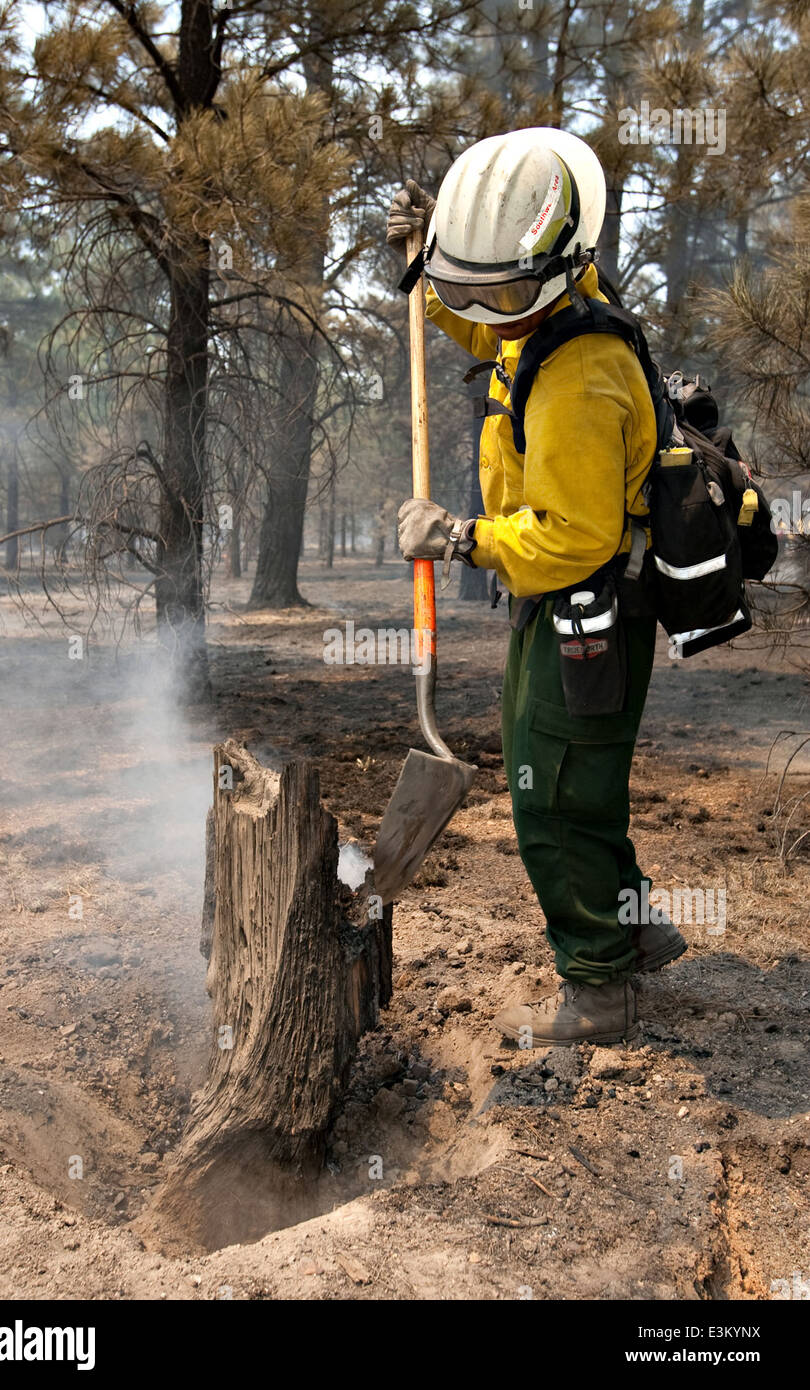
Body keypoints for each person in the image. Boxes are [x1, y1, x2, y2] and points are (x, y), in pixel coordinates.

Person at [386, 128, 686, 1048]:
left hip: (584, 603)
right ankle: (636, 927)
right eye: (475, 286)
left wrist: (462, 537)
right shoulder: (546, 318)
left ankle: (599, 990)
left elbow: (573, 534)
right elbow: (487, 320)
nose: (491, 311)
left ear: (557, 265)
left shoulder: (581, 378)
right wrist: (421, 272)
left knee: (551, 797)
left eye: (504, 290)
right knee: (575, 782)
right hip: (557, 601)